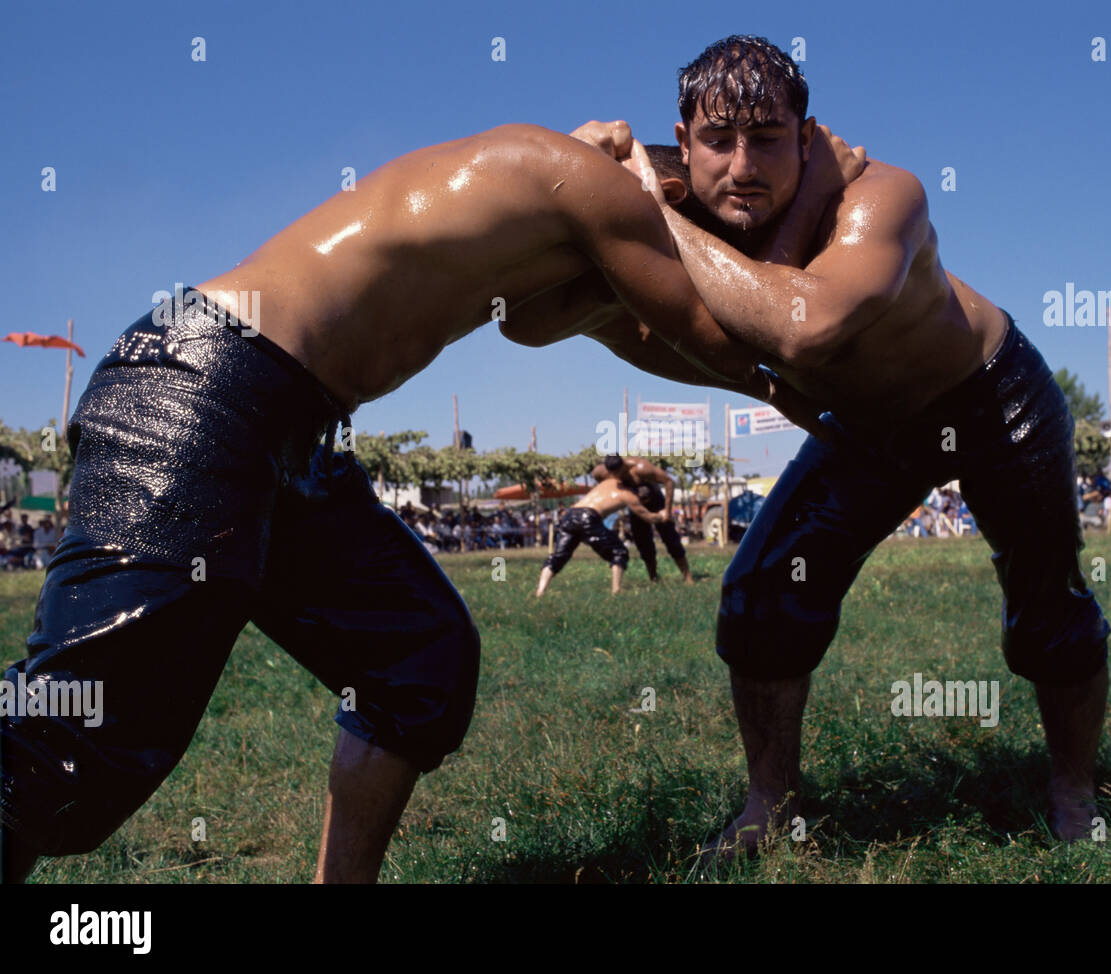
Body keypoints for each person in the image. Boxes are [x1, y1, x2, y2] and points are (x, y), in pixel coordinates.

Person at [0, 122, 829, 884]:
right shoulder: (594, 180)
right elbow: (725, 323)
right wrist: (826, 395)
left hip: (289, 423)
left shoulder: (562, 220)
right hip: (204, 388)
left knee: (416, 660)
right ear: (676, 193)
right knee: (73, 747)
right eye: (718, 241)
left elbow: (621, 332)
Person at [576, 35, 1111, 848]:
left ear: (809, 136)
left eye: (767, 138)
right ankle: (773, 804)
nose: (742, 164)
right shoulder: (683, 204)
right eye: (719, 141)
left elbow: (807, 325)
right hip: (868, 424)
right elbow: (550, 289)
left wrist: (643, 211)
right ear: (681, 146)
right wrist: (582, 168)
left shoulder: (879, 195)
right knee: (759, 596)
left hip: (990, 391)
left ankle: (1074, 793)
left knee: (1048, 609)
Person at [534, 478, 667, 596]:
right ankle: (616, 591)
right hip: (587, 517)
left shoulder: (610, 481)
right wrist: (663, 514)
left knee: (558, 556)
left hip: (570, 515)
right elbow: (649, 518)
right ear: (643, 498)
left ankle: (540, 592)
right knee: (619, 552)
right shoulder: (631, 497)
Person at [592, 454, 692, 582]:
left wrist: (667, 511)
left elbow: (669, 482)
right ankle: (653, 577)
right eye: (613, 475)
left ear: (623, 465)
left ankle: (688, 577)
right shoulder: (602, 472)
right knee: (643, 544)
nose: (617, 477)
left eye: (619, 473)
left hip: (656, 502)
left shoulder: (641, 468)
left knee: (671, 540)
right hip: (637, 506)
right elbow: (597, 476)